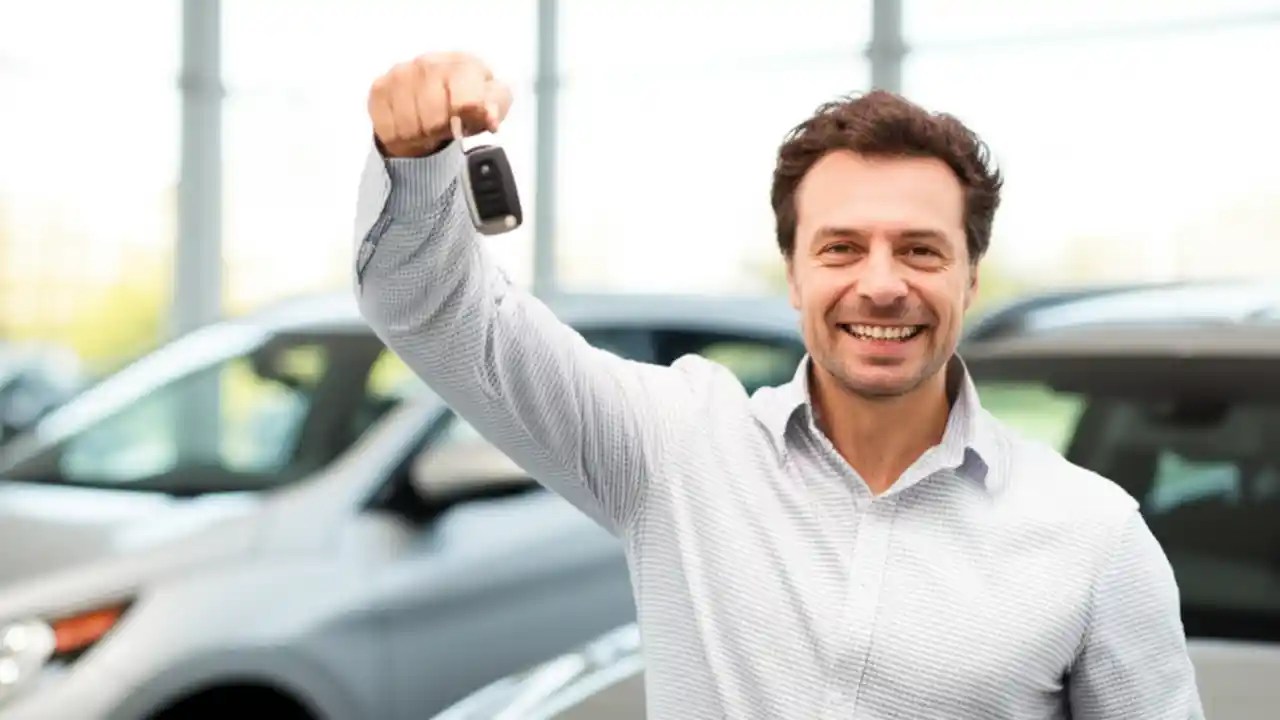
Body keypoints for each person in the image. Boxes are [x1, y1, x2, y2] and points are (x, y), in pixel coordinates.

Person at [352, 51, 1204, 719]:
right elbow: (432, 309)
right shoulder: (674, 449)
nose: (880, 284)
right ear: (794, 276)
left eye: (920, 249)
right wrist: (417, 157)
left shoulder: (1093, 539)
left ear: (969, 279)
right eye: (841, 248)